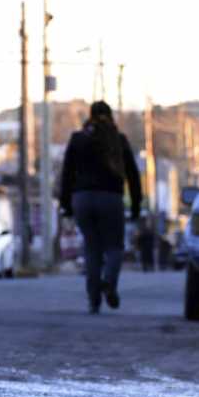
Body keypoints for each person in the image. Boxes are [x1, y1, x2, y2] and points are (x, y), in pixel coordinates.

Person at [60, 101, 142, 314]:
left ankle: (93, 300)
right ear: (110, 116)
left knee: (91, 248)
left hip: (82, 199)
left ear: (90, 115)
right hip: (110, 199)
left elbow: (67, 174)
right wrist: (135, 205)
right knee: (114, 247)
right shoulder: (119, 140)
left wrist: (66, 205)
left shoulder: (78, 139)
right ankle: (109, 283)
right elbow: (133, 176)